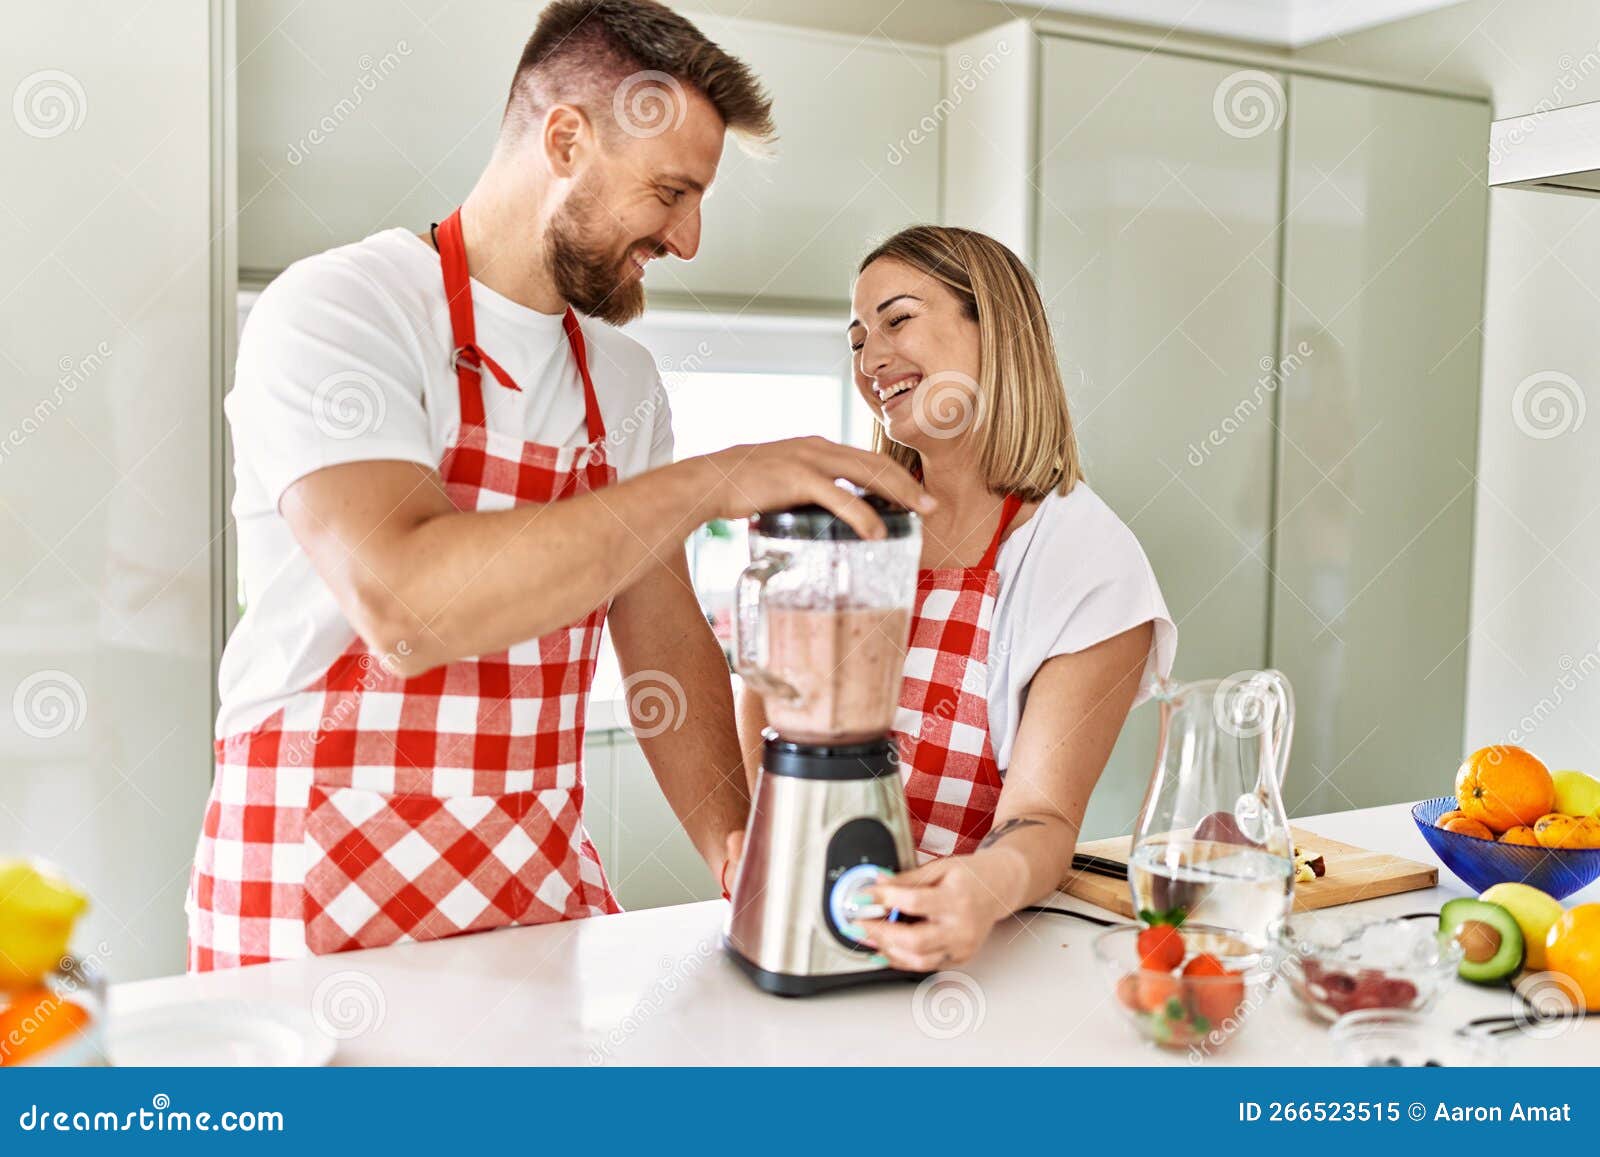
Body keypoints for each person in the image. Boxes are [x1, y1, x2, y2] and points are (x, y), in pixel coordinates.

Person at [186, 0, 930, 971]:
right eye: (670, 191)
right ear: (567, 140)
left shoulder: (619, 383)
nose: (689, 236)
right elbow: (408, 609)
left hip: (525, 881)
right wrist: (715, 480)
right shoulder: (343, 311)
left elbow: (661, 639)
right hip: (321, 889)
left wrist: (734, 846)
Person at [737, 225, 1176, 972]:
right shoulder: (846, 523)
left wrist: (975, 888)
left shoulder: (1083, 558)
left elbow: (1043, 818)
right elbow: (759, 696)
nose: (871, 360)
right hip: (806, 923)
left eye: (897, 319)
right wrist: (774, 856)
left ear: (994, 328)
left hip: (972, 958)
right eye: (855, 339)